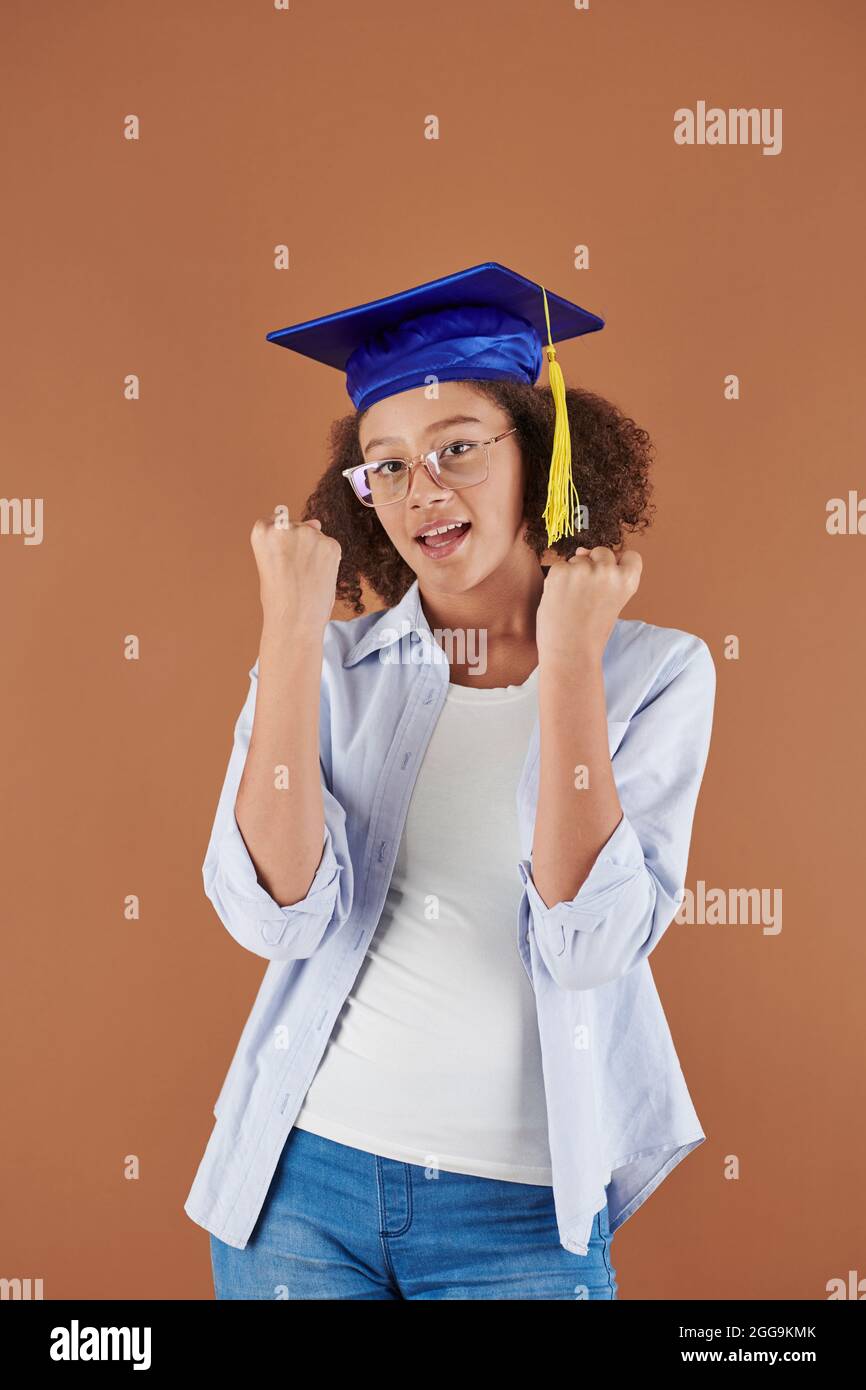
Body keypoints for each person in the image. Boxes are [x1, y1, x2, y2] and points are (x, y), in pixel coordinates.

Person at [184, 262, 716, 1300]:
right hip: (301, 1188)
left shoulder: (655, 671)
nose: (421, 488)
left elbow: (590, 936)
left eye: (457, 447)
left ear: (544, 450)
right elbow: (275, 916)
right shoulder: (330, 670)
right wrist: (290, 631)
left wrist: (566, 660)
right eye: (384, 467)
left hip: (516, 1212)